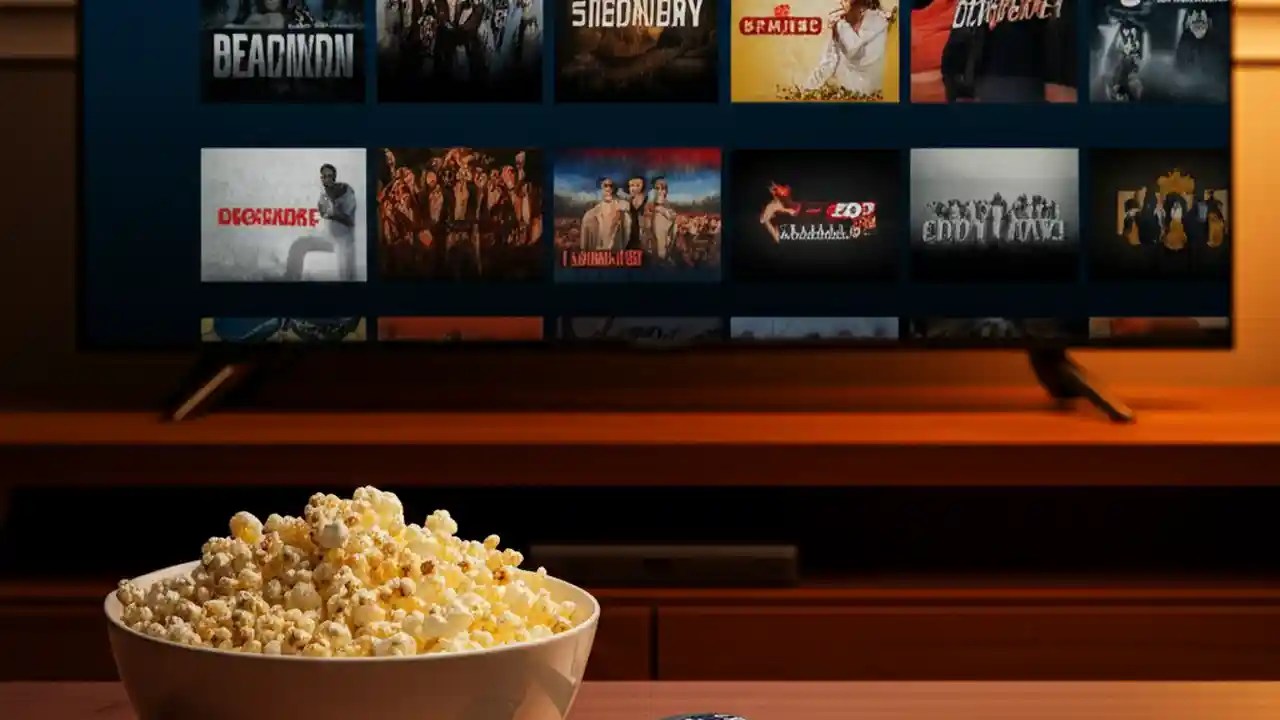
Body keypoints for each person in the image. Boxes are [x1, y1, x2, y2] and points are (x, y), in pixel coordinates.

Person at [801, 0, 894, 96]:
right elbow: (829, 61)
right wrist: (807, 89)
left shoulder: (877, 21)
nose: (840, 2)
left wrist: (841, 25)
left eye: (845, 0)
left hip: (869, 96)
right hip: (844, 95)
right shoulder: (844, 23)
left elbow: (853, 50)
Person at [284, 163, 358, 281]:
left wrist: (332, 212)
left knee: (346, 274)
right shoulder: (324, 195)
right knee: (299, 245)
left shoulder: (346, 191)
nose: (327, 179)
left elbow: (349, 220)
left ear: (334, 177)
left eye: (329, 176)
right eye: (324, 176)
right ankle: (291, 278)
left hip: (344, 242)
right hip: (328, 239)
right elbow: (324, 215)